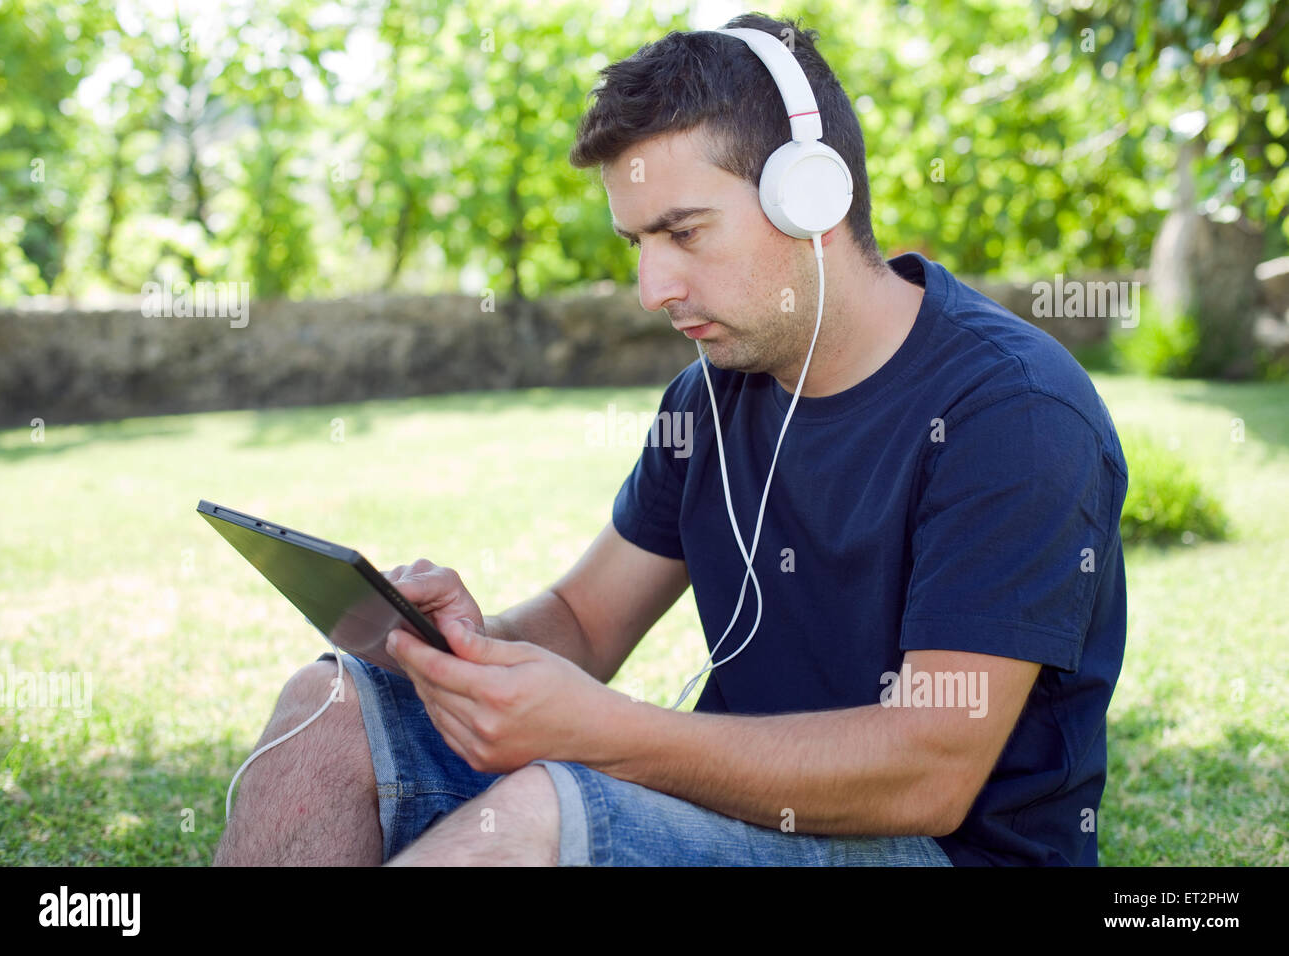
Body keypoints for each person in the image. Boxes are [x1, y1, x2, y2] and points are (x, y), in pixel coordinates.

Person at [213, 11, 1127, 867]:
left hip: (933, 849)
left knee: (544, 810)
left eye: (684, 232)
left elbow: (928, 772)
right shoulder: (711, 397)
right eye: (637, 243)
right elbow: (581, 624)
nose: (654, 287)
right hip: (734, 811)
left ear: (813, 198)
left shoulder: (1015, 413)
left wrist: (594, 733)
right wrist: (456, 647)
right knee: (328, 705)